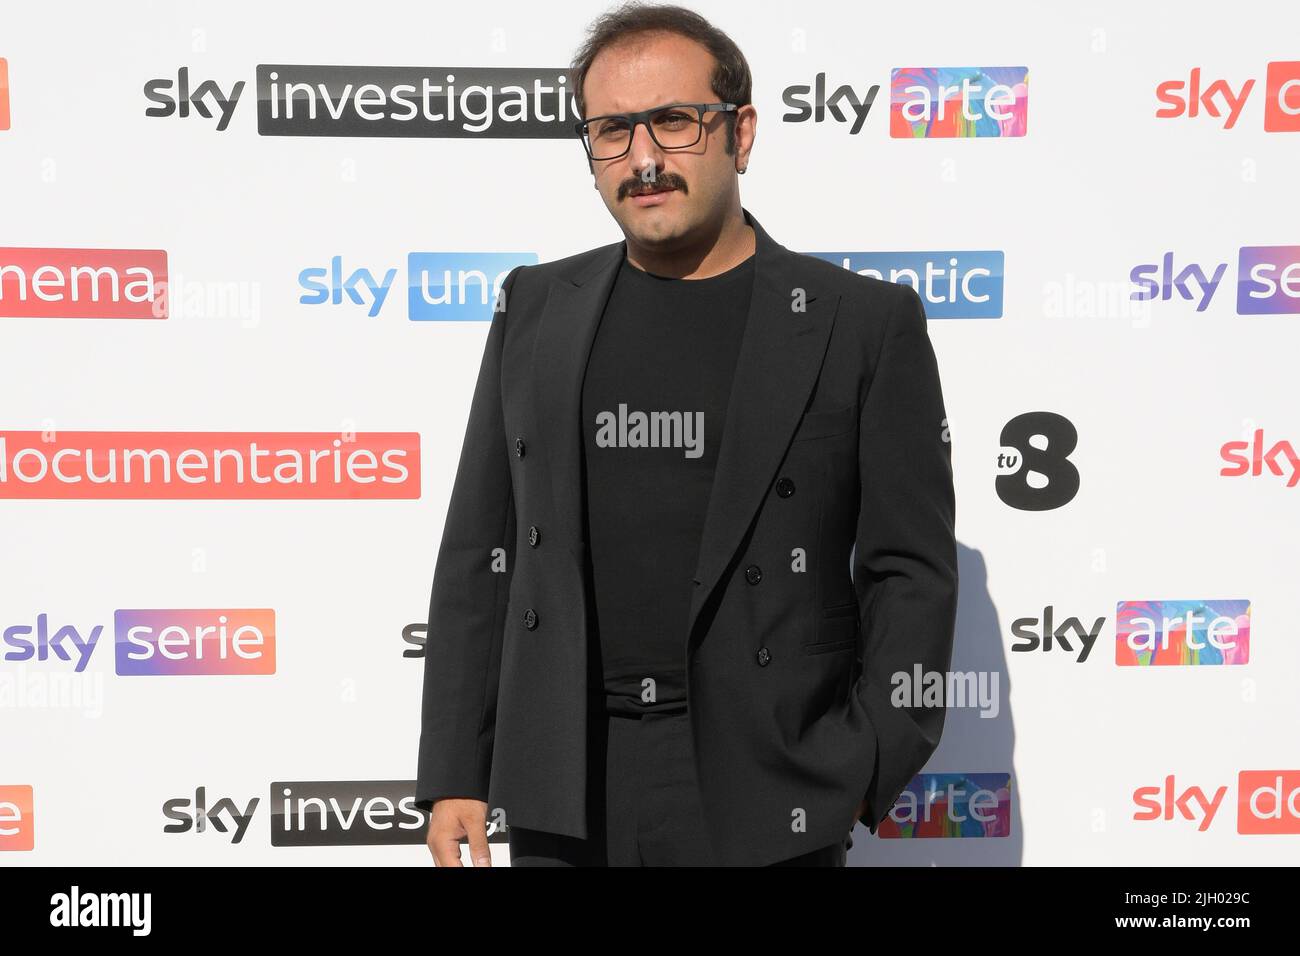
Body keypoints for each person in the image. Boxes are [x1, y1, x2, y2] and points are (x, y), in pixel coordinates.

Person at [416, 2, 958, 866]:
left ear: (741, 134)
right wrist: (454, 768)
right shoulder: (534, 309)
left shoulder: (861, 321)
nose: (643, 159)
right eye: (612, 132)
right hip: (567, 782)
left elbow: (910, 568)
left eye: (673, 121)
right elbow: (481, 551)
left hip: (768, 780)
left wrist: (873, 753)